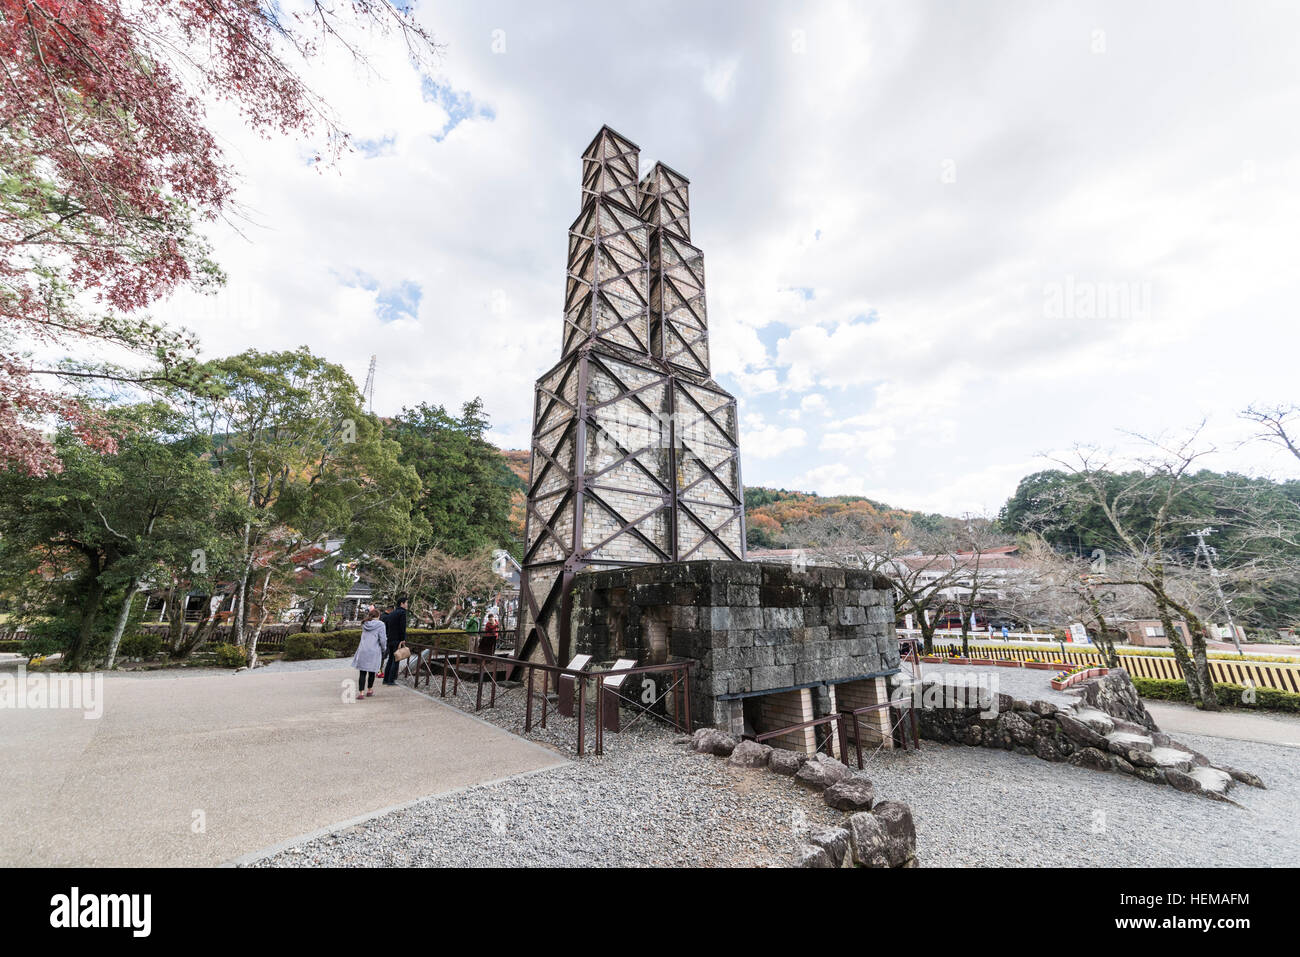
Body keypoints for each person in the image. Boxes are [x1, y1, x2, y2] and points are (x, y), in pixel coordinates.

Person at [351, 608, 387, 700]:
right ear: (378, 616)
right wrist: (384, 649)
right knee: (372, 671)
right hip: (374, 650)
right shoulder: (381, 624)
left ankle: (361, 693)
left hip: (363, 649)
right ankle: (370, 690)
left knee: (362, 672)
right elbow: (383, 639)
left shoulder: (365, 623)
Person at [382, 596, 409, 685]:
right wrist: (403, 639)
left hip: (390, 638)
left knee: (390, 659)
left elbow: (388, 625)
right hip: (397, 639)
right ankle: (391, 680)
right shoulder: (402, 613)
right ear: (402, 603)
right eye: (406, 603)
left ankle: (386, 679)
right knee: (396, 659)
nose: (407, 605)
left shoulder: (392, 613)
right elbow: (402, 627)